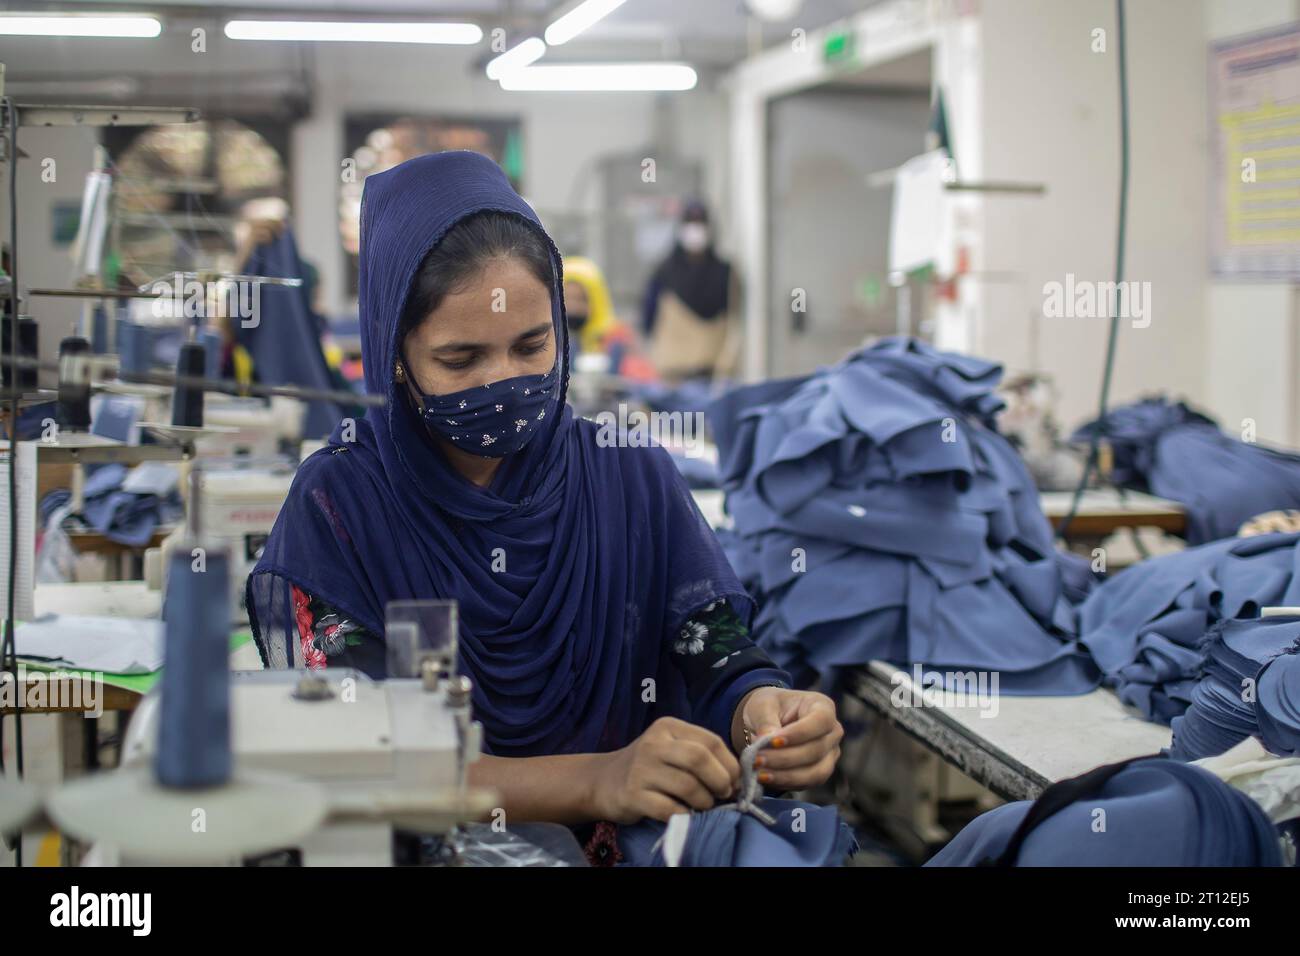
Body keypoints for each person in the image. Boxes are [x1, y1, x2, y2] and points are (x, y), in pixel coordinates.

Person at [246, 151, 841, 838]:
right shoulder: (341, 507)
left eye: (533, 346)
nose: (505, 381)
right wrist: (596, 780)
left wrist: (762, 708)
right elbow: (359, 758)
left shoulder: (630, 475)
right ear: (394, 354)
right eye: (461, 359)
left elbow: (712, 654)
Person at [642, 200, 741, 382]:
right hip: (672, 375)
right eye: (690, 222)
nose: (695, 230)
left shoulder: (724, 273)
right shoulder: (664, 272)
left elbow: (734, 319)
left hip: (712, 376)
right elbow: (648, 319)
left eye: (700, 223)